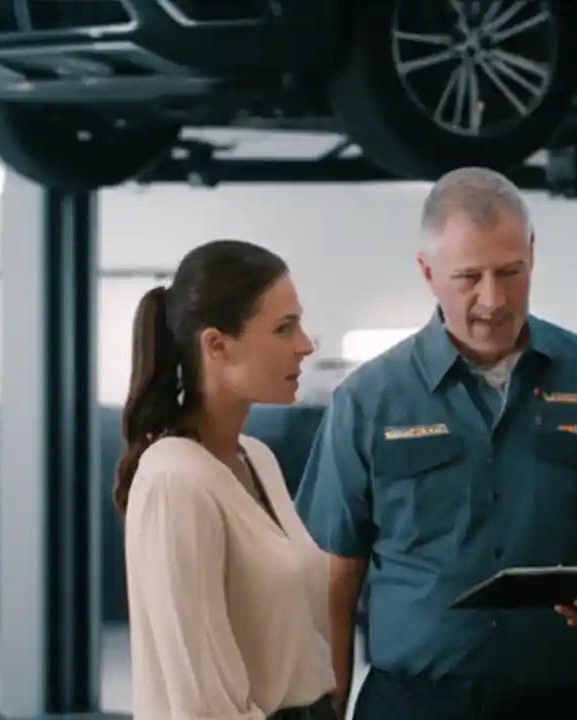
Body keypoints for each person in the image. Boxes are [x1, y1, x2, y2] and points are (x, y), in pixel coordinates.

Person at [293, 167, 577, 720]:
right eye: (468, 277)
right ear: (427, 271)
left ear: (532, 253)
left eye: (511, 271)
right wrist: (325, 709)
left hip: (572, 704)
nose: (494, 299)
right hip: (414, 705)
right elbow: (332, 583)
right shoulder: (366, 400)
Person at [116, 239, 338, 720]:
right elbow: (200, 700)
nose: (306, 344)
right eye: (284, 328)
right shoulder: (175, 479)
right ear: (217, 345)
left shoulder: (256, 458)